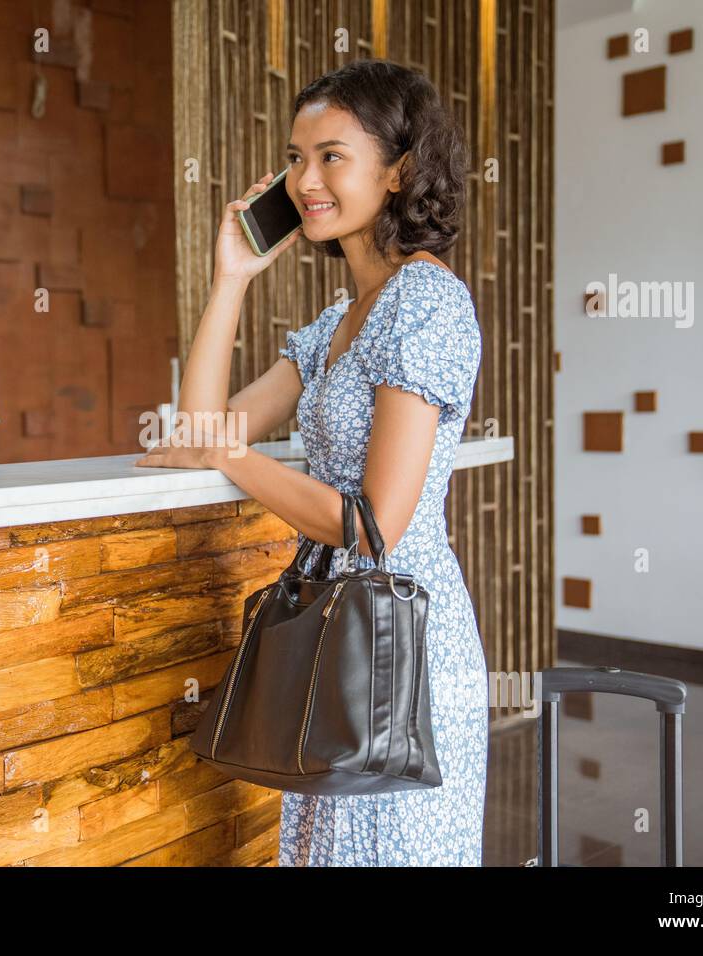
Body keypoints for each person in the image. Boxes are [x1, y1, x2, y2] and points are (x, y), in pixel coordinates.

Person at [136, 59, 487, 865]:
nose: (304, 180)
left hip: (402, 647)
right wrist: (232, 280)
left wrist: (235, 458)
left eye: (332, 155)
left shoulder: (427, 301)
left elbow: (372, 529)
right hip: (337, 643)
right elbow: (199, 432)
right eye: (295, 158)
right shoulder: (337, 318)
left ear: (398, 171)